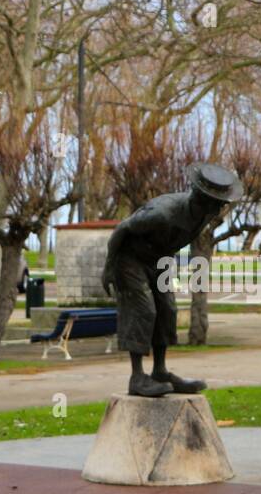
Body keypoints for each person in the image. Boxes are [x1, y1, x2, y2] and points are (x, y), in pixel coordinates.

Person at [103, 163, 242, 397]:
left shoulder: (205, 213)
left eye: (222, 204)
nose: (219, 209)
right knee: (143, 310)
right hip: (130, 258)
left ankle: (160, 370)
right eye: (216, 203)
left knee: (168, 308)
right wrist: (109, 268)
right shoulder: (163, 212)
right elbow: (121, 230)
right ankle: (137, 377)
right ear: (201, 198)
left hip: (160, 259)